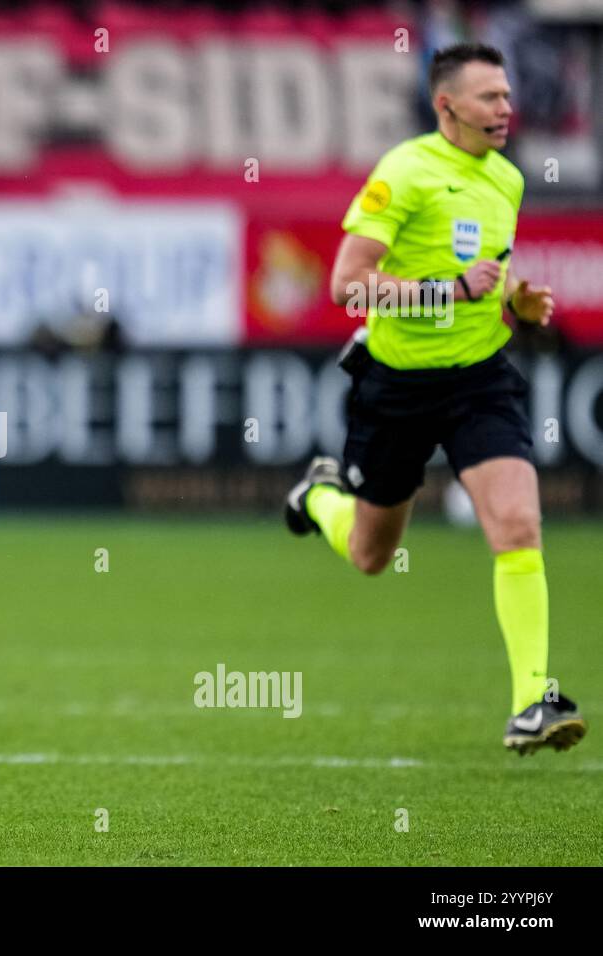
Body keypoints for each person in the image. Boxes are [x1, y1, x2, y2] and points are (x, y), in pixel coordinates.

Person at [284, 43, 585, 756]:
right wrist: (445, 293)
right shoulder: (405, 173)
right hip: (397, 387)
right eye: (490, 98)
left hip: (480, 378)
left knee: (517, 522)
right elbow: (345, 286)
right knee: (369, 554)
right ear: (445, 106)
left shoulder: (507, 180)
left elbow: (492, 272)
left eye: (508, 96)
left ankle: (531, 702)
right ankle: (320, 495)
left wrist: (517, 299)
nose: (507, 109)